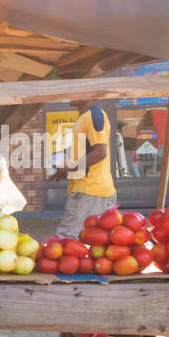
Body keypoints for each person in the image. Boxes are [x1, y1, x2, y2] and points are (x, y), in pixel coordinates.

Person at [49, 99, 114, 238]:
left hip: (90, 191)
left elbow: (100, 152)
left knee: (66, 239)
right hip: (88, 191)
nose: (70, 93)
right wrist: (61, 155)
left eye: (75, 89)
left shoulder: (94, 115)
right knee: (93, 241)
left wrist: (67, 170)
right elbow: (82, 149)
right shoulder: (83, 117)